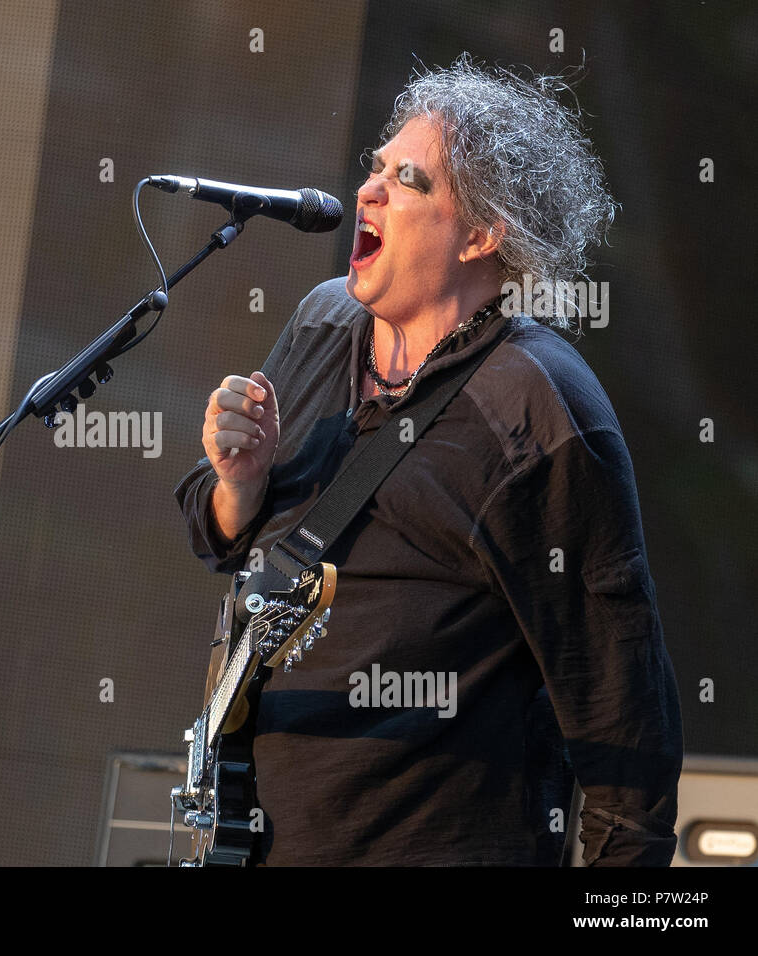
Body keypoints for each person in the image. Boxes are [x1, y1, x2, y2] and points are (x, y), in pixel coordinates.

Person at [175, 55, 683, 866]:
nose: (366, 192)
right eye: (374, 167)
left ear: (482, 234)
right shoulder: (323, 322)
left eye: (408, 180)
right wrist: (240, 485)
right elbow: (224, 538)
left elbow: (624, 718)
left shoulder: (539, 407)